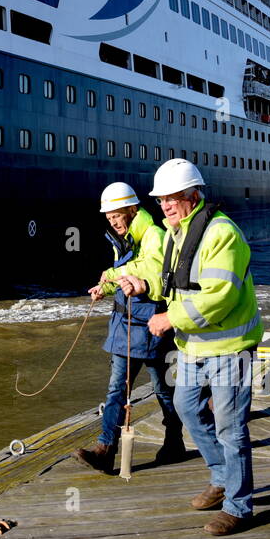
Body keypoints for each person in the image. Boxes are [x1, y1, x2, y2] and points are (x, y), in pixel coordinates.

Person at [119, 158, 260, 536]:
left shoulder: (221, 233)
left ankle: (240, 506)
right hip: (195, 346)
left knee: (232, 428)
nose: (164, 206)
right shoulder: (177, 233)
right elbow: (169, 281)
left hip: (231, 347)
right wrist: (140, 284)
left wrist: (170, 319)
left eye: (171, 198)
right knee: (186, 407)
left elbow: (220, 296)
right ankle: (221, 478)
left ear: (193, 195)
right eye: (161, 200)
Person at [73, 183, 185, 472]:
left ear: (132, 210)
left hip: (153, 327)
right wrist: (105, 288)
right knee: (115, 391)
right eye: (108, 217)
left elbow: (153, 273)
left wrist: (111, 275)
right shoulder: (122, 239)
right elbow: (127, 279)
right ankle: (105, 449)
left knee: (164, 391)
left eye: (116, 216)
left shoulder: (154, 236)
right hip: (125, 327)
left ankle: (174, 442)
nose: (112, 222)